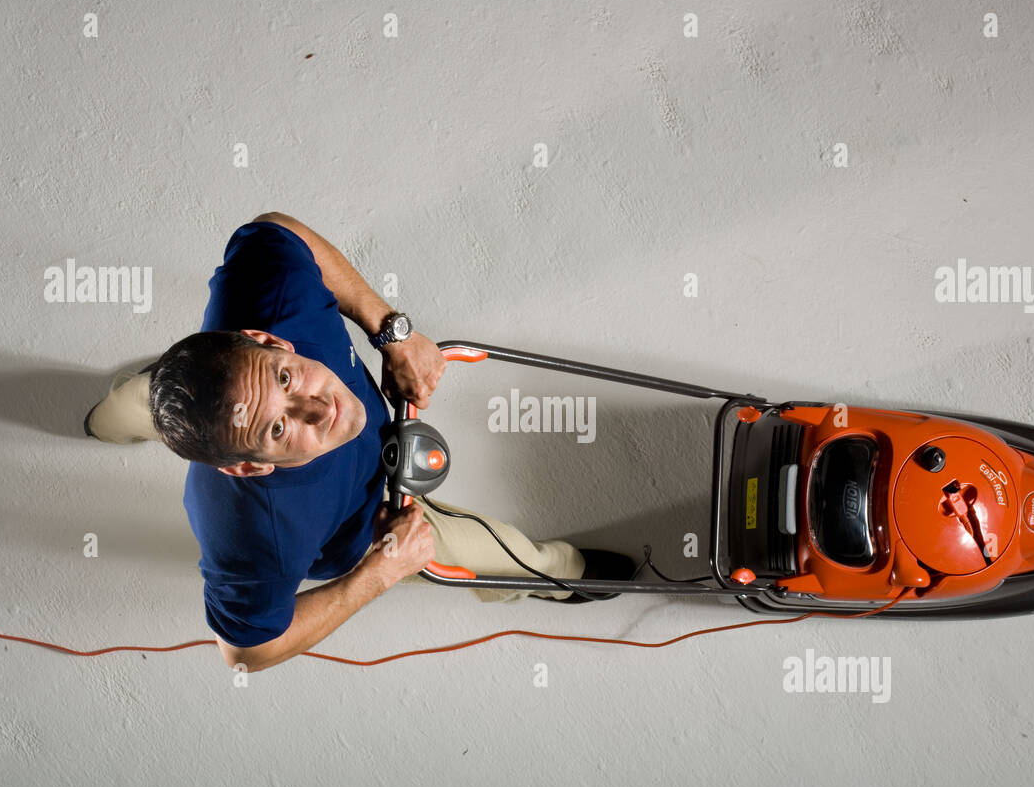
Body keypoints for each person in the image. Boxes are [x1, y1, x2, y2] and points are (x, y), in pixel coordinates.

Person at [83, 212, 634, 671]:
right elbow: (245, 652)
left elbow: (278, 228)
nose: (322, 407)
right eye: (278, 429)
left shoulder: (269, 290)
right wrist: (379, 574)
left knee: (159, 393)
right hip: (366, 518)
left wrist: (390, 330)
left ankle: (122, 410)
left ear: (267, 338)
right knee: (491, 552)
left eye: (286, 378)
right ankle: (561, 576)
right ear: (249, 469)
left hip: (264, 399)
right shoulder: (248, 537)